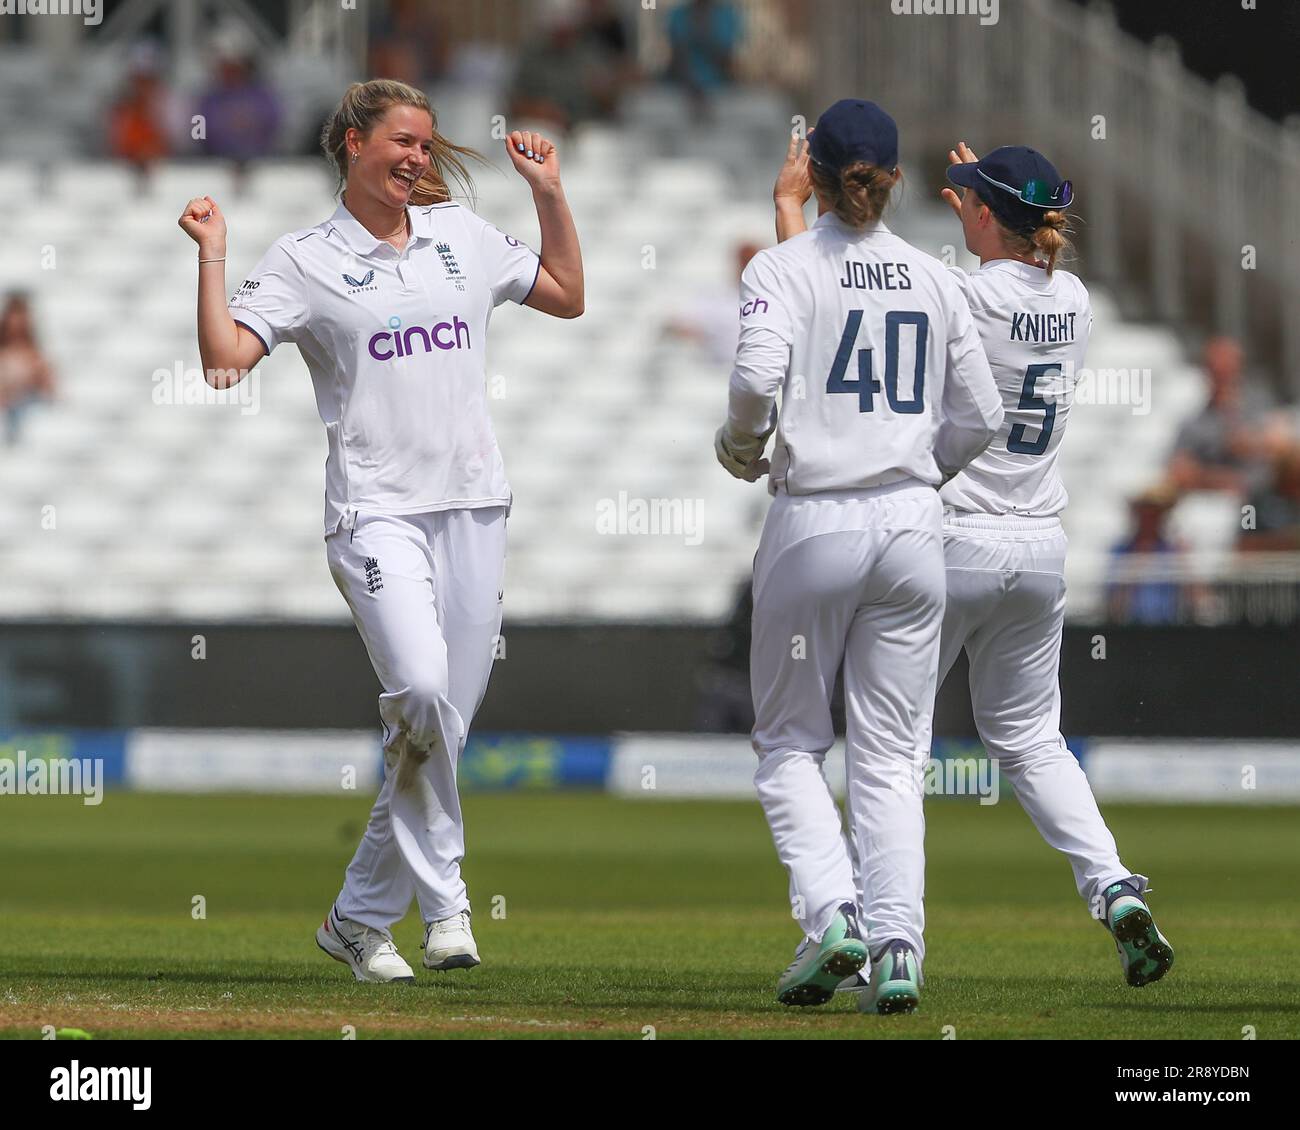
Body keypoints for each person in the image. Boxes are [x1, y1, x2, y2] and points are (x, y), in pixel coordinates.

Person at [177, 79, 583, 983]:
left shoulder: (461, 239)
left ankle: (358, 920)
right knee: (425, 692)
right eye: (402, 141)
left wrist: (549, 194)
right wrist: (213, 253)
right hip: (376, 513)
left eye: (427, 145)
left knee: (434, 727)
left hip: (475, 505)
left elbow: (564, 293)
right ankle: (447, 910)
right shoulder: (305, 258)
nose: (418, 158)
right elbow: (221, 364)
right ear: (354, 143)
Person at [718, 101, 1003, 1015]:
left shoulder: (782, 264)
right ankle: (900, 950)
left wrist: (739, 446)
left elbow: (756, 382)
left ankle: (833, 915)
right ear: (893, 179)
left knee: (792, 742)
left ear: (816, 174)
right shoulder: (936, 275)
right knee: (890, 756)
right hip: (914, 528)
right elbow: (984, 419)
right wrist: (922, 472)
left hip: (816, 521)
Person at [0, 293, 56, 446]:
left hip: (26, 406)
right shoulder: (4, 353)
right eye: (14, 318)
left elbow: (49, 391)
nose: (17, 324)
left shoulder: (36, 355)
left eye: (21, 318)